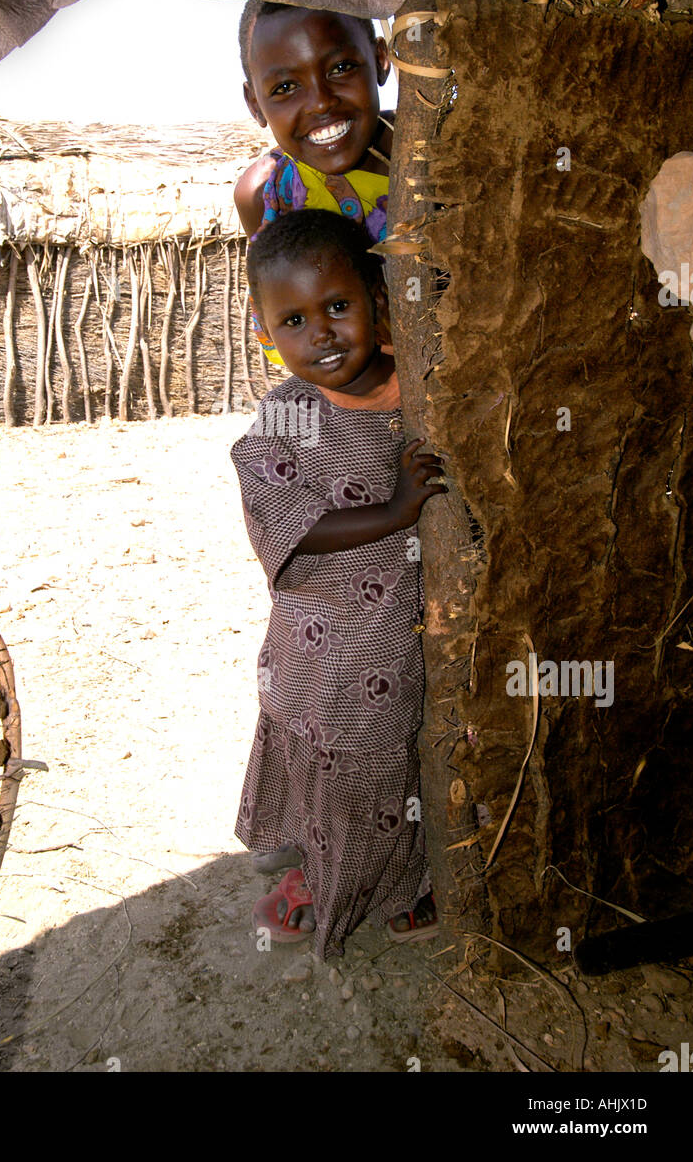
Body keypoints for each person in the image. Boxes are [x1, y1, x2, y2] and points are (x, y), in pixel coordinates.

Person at [230, 208, 443, 959]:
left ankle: (401, 880)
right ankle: (325, 880)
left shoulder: (425, 386)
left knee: (403, 768)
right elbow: (291, 524)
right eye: (293, 320)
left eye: (338, 307)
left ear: (379, 301)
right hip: (329, 650)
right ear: (266, 332)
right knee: (347, 770)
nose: (319, 333)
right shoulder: (292, 416)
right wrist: (397, 510)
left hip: (405, 638)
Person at [234, 1, 394, 364]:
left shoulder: (442, 157)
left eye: (341, 68)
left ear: (380, 58)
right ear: (254, 103)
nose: (321, 102)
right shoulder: (267, 195)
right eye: (286, 86)